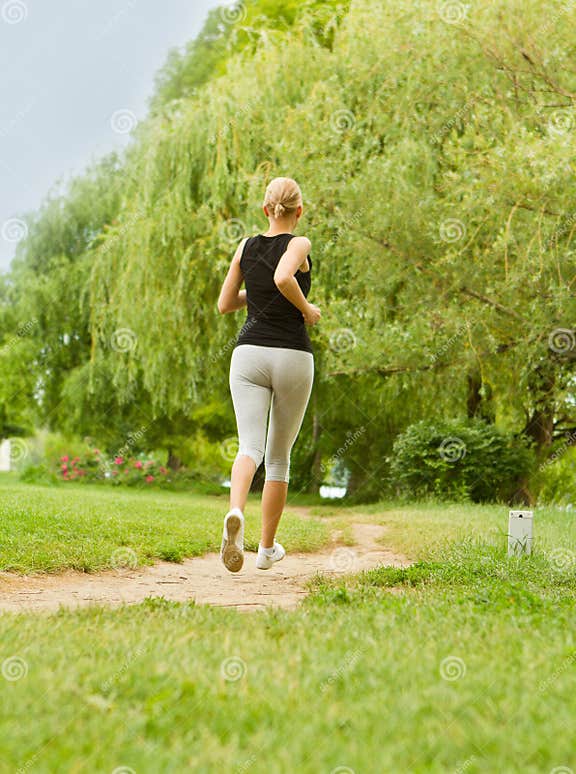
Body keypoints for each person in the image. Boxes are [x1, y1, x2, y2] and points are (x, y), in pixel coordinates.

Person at [216, 177, 321, 573]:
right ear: (299, 211)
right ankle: (265, 548)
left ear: (265, 210)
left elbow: (226, 304)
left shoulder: (245, 246)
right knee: (278, 461)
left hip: (248, 354)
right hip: (291, 354)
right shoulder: (300, 243)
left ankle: (235, 511)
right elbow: (282, 277)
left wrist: (256, 296)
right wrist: (307, 309)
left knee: (249, 448)